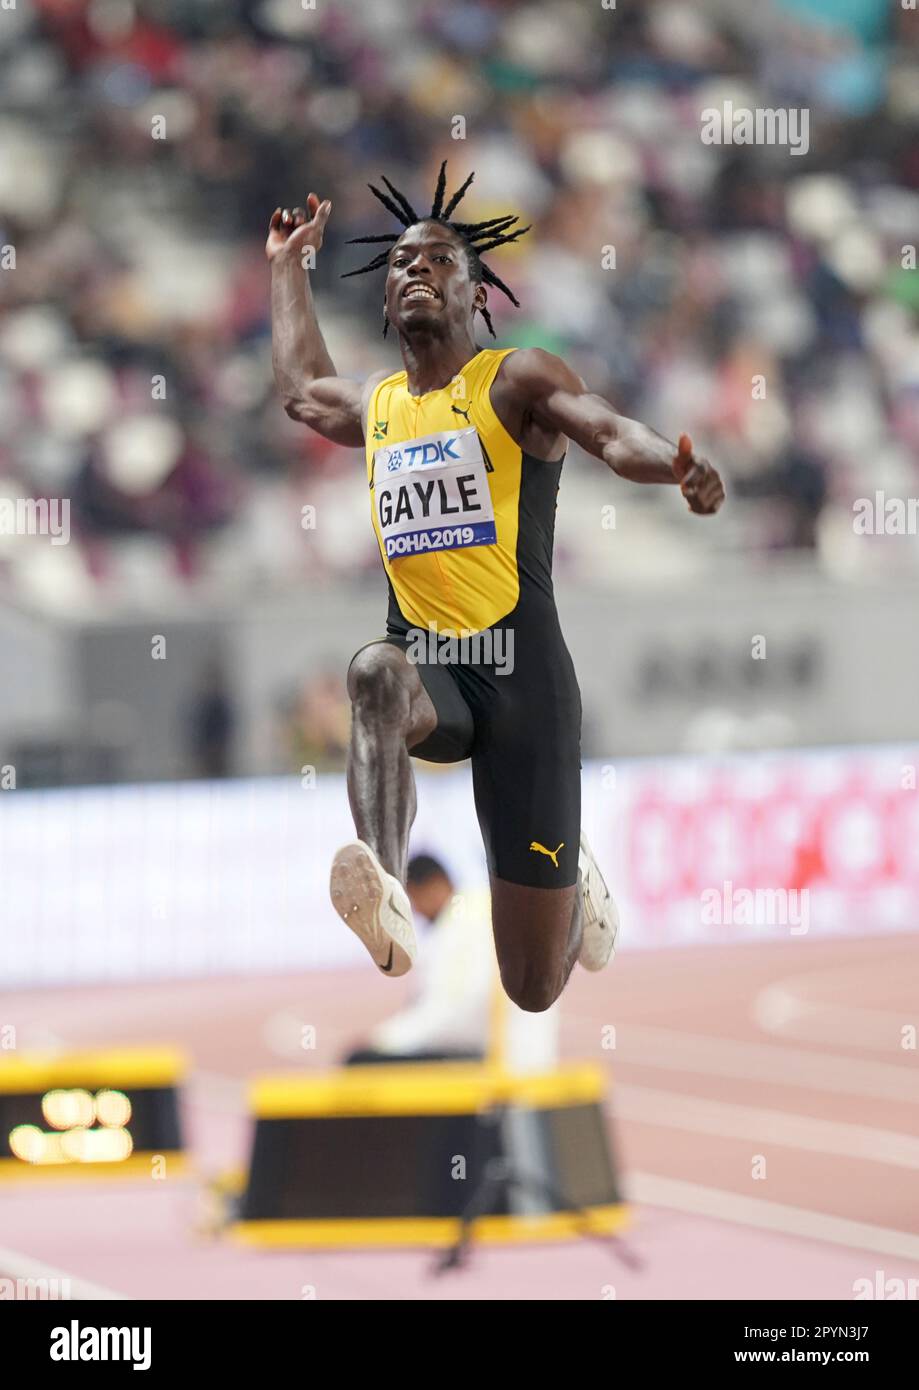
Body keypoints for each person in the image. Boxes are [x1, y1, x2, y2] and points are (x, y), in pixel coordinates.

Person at [267, 163, 725, 1012]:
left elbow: (612, 434)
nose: (414, 270)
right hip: (433, 675)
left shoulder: (516, 381)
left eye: (438, 260)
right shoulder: (378, 408)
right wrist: (287, 266)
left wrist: (678, 469)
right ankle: (386, 892)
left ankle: (571, 869)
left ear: (476, 296)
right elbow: (298, 391)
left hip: (524, 688)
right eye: (402, 261)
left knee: (532, 988)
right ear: (383, 300)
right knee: (374, 671)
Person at [342, 854, 493, 1066]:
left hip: (468, 1053)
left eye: (414, 899)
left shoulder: (461, 930)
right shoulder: (464, 919)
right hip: (471, 1047)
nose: (416, 910)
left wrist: (385, 1040)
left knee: (361, 1063)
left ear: (435, 886)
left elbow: (448, 1011)